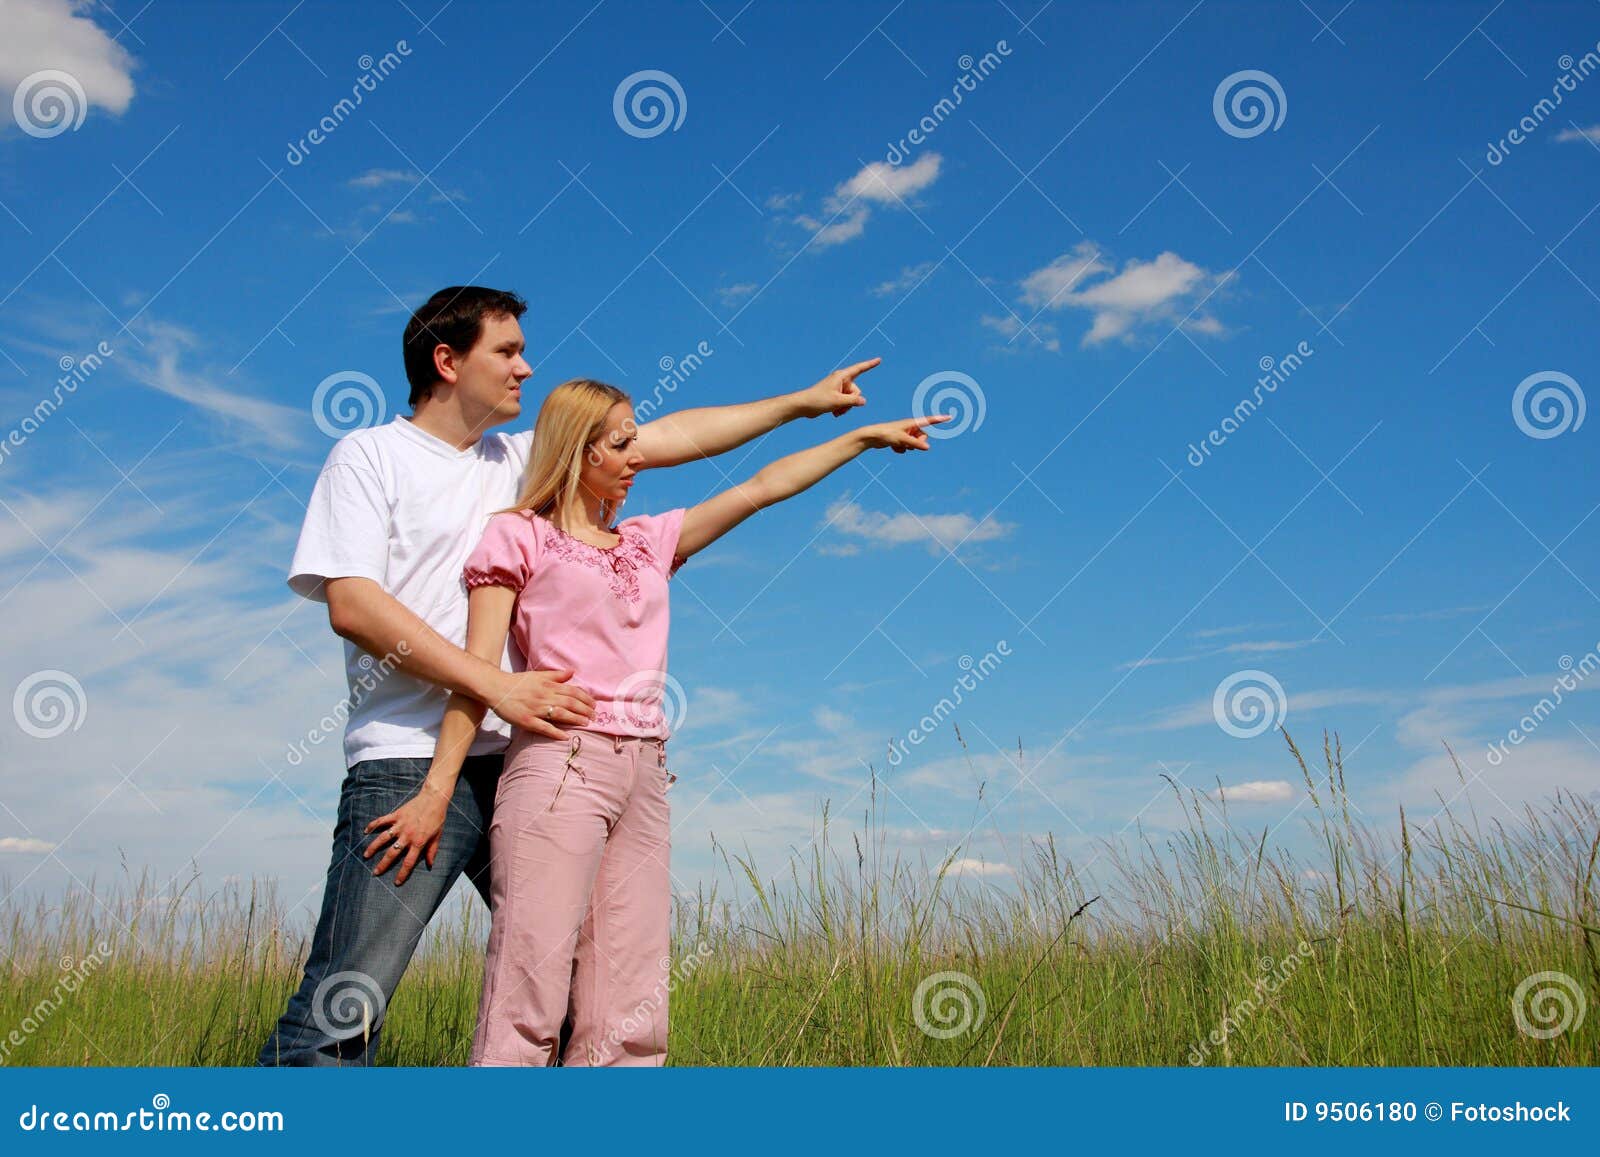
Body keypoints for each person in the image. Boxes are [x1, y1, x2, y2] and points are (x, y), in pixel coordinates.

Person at [258, 286, 881, 1066]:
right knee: (344, 1001)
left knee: (584, 996)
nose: (526, 366)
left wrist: (801, 402)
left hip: (541, 759)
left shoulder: (522, 460)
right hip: (409, 763)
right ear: (447, 361)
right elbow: (353, 604)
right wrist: (496, 688)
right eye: (507, 351)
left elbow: (674, 436)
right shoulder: (370, 457)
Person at [362, 378, 947, 1065]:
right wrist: (437, 789)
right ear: (579, 452)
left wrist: (859, 438)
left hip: (644, 772)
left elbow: (761, 488)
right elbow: (475, 673)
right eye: (620, 442)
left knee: (630, 1005)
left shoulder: (648, 540)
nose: (636, 455)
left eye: (636, 438)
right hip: (560, 765)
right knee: (530, 993)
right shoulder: (516, 536)